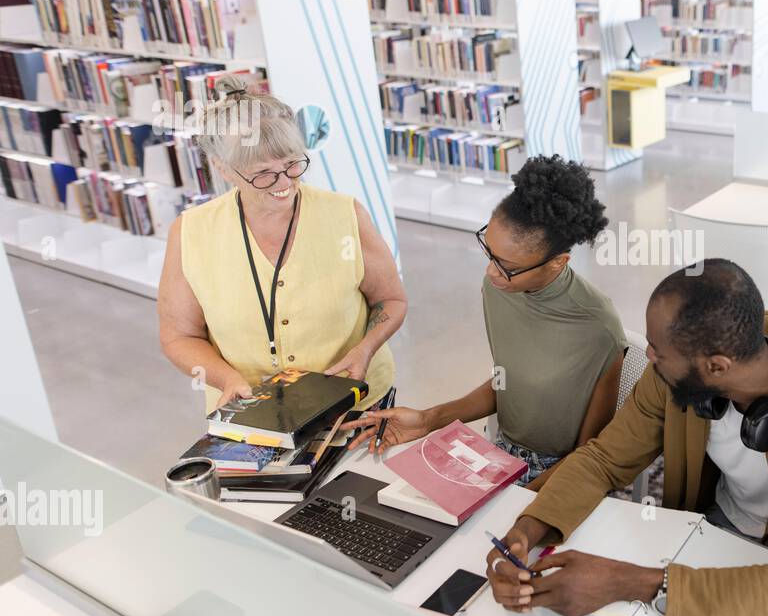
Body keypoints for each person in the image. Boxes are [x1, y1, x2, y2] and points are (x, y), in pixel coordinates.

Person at [485, 258, 768, 616]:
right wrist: (527, 530)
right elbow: (603, 460)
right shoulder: (678, 367)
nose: (647, 357)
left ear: (717, 366)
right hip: (717, 533)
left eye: (658, 352)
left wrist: (624, 582)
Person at [346, 155, 627, 484]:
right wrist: (427, 419)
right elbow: (508, 384)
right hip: (501, 453)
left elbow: (590, 454)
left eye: (506, 265)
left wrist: (527, 500)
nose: (490, 272)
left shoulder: (598, 328)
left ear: (558, 262)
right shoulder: (497, 288)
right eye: (488, 252)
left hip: (560, 472)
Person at [158, 76, 405, 413]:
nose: (284, 183)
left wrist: (365, 349)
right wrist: (226, 379)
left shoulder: (345, 214)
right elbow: (179, 337)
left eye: (292, 164)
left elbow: (391, 300)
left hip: (355, 405)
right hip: (252, 414)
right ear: (223, 168)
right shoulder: (190, 232)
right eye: (263, 173)